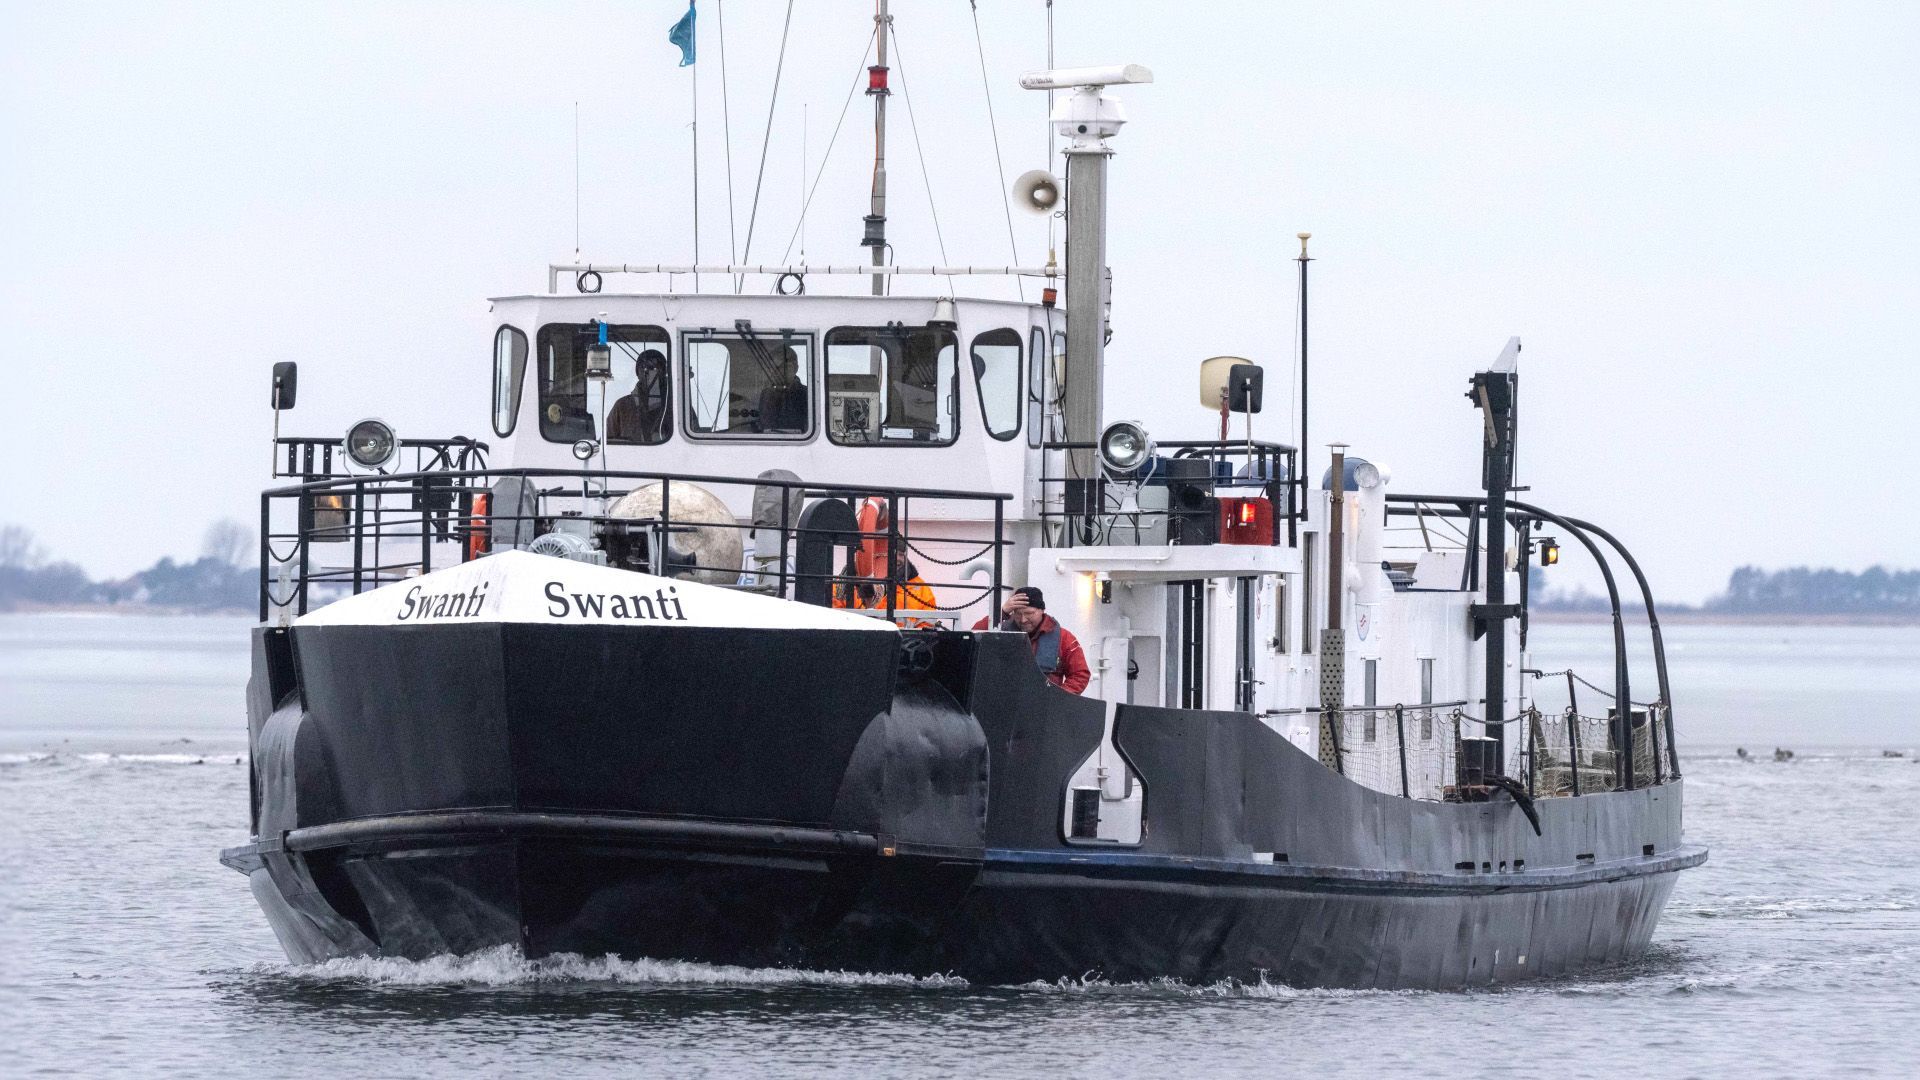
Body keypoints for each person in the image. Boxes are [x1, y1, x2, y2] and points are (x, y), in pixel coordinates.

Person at [973, 587, 1090, 694]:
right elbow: (974, 636)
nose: (1023, 620)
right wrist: (1002, 612)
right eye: (1018, 614)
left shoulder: (1064, 638)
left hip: (1045, 707)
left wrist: (1059, 697)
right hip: (1005, 703)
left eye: (1029, 613)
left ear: (1042, 610)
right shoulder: (999, 632)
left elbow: (1080, 674)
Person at [605, 349, 669, 444]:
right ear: (638, 373)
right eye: (644, 367)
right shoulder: (622, 406)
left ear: (663, 373)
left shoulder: (675, 406)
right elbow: (607, 442)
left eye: (655, 368)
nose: (648, 372)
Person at [755, 347, 809, 433]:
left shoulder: (808, 394)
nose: (779, 371)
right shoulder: (766, 393)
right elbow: (764, 425)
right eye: (775, 367)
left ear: (796, 368)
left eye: (784, 367)